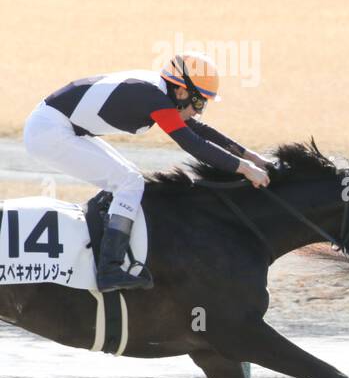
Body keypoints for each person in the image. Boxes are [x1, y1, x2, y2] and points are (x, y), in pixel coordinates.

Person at [23, 52, 272, 292]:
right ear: (181, 91)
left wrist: (249, 156)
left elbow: (199, 130)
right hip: (49, 131)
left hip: (57, 125)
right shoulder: (154, 97)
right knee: (128, 182)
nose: (198, 110)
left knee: (128, 179)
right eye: (199, 102)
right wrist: (244, 169)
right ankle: (109, 268)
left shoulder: (160, 92)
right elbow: (191, 143)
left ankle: (104, 249)